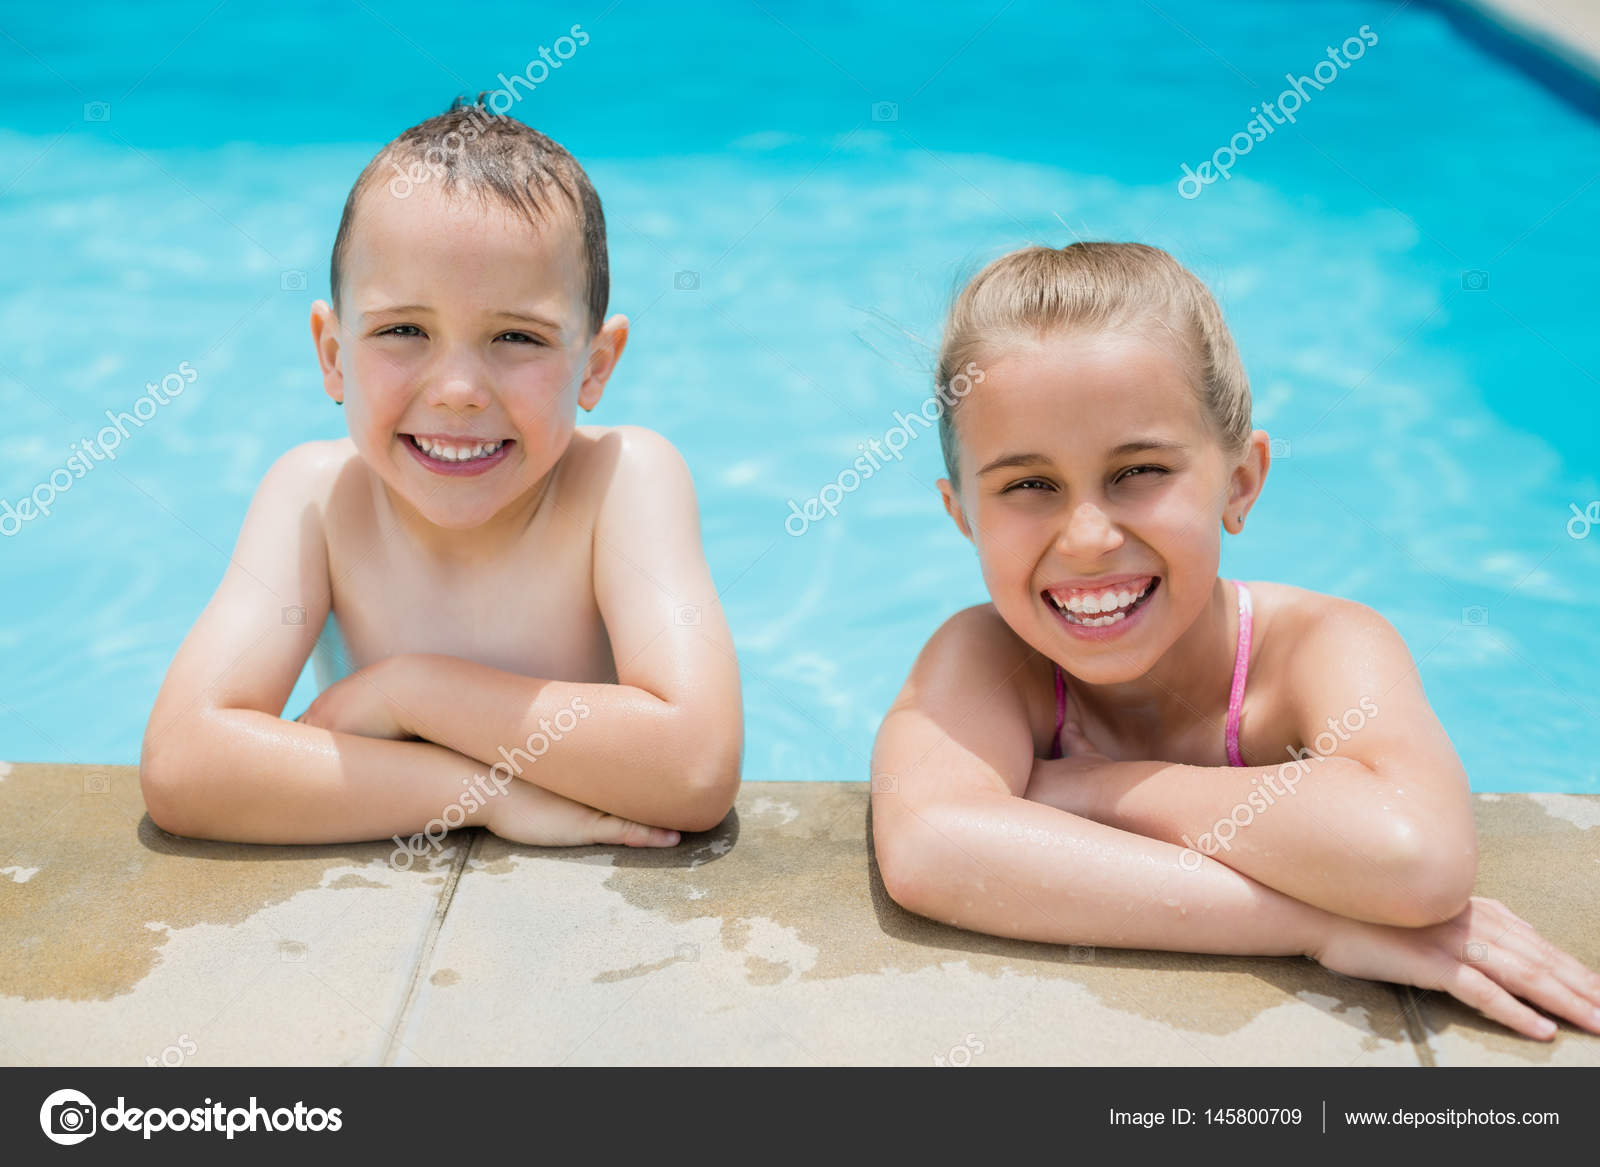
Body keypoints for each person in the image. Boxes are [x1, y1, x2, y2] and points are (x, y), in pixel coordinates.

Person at [870, 242, 1600, 1041]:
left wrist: (1078, 788)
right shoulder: (985, 657)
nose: (1087, 537)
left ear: (1241, 481)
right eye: (1028, 485)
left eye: (1139, 470)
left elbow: (1417, 857)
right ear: (962, 513)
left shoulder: (1317, 647)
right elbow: (932, 849)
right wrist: (1321, 926)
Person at [140, 99, 742, 850]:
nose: (458, 388)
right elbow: (182, 764)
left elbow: (695, 769)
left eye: (517, 336)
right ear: (332, 354)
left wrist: (409, 691)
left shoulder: (622, 482)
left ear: (595, 367)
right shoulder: (317, 500)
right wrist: (482, 793)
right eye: (403, 330)